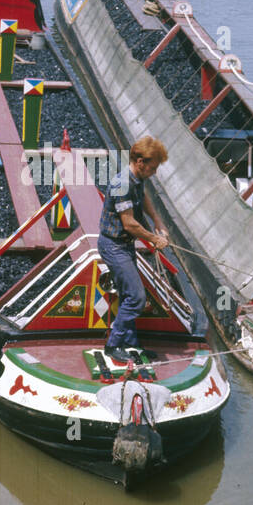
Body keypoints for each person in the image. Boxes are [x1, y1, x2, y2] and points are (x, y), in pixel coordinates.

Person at [98, 136, 170, 364]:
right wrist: (154, 239)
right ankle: (113, 345)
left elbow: (143, 198)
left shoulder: (137, 179)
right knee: (137, 298)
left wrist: (157, 222)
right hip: (114, 245)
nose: (154, 171)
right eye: (153, 167)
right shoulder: (122, 183)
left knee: (128, 294)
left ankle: (130, 342)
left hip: (125, 244)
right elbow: (129, 223)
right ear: (140, 161)